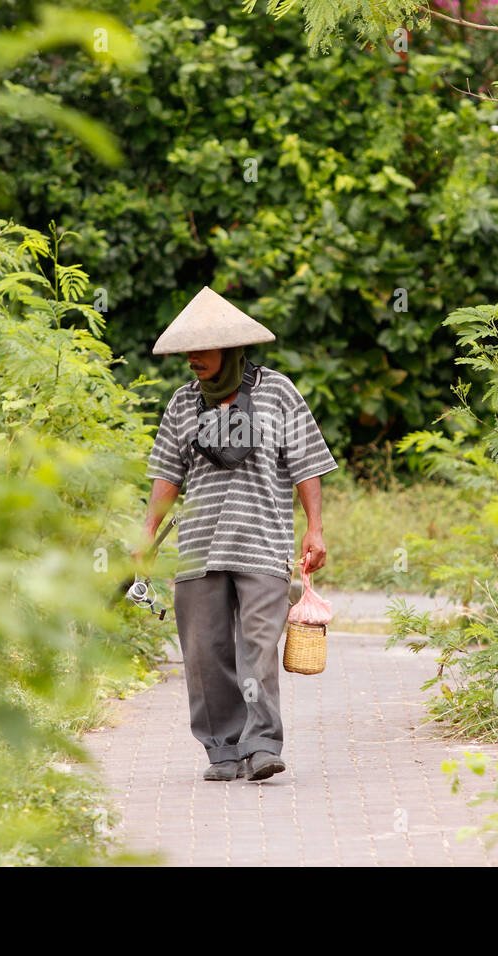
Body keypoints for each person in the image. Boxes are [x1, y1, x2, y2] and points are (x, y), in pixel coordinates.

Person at [134, 287, 338, 782]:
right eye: (188, 351)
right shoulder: (182, 403)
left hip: (262, 542)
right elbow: (167, 476)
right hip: (198, 547)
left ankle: (262, 744)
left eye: (203, 349)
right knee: (204, 654)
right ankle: (222, 749)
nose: (194, 359)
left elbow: (307, 463)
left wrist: (314, 528)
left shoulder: (278, 392)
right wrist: (147, 535)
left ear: (230, 348)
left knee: (258, 649)